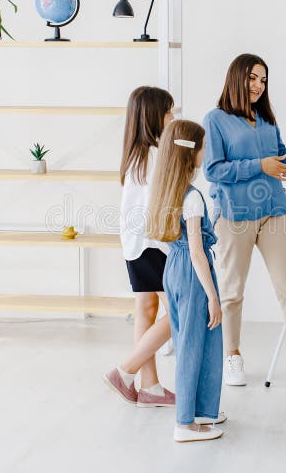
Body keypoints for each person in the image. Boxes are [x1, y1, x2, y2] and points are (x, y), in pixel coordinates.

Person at [203, 53, 286, 397]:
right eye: (252, 78)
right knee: (231, 293)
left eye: (263, 80)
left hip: (274, 211)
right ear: (236, 78)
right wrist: (259, 165)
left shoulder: (266, 120)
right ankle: (231, 356)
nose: (258, 86)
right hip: (235, 215)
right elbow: (213, 170)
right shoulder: (215, 120)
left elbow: (283, 161)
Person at [147, 120, 226, 442]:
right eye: (203, 147)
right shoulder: (192, 197)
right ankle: (185, 423)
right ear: (191, 152)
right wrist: (213, 296)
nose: (206, 153)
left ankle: (200, 411)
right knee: (194, 345)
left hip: (173, 269)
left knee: (188, 342)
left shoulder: (168, 189)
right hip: (193, 273)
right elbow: (197, 253)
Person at [103, 86, 176, 408]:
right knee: (180, 311)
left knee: (146, 311)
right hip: (153, 245)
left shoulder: (136, 154)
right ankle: (126, 370)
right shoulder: (155, 155)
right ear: (154, 116)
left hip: (134, 244)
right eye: (170, 111)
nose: (174, 117)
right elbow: (157, 208)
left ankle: (151, 388)